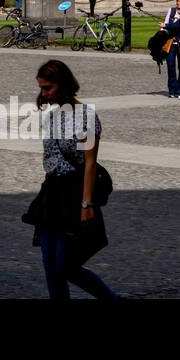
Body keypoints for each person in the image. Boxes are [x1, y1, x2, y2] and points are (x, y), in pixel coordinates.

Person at [22, 60, 117, 301]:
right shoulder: (53, 117)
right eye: (42, 88)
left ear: (63, 85)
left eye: (48, 88)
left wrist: (86, 203)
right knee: (50, 266)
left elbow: (90, 162)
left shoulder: (86, 116)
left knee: (65, 265)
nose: (44, 94)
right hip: (51, 192)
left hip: (73, 193)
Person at [161, 0, 180, 98]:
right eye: (177, 1)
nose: (178, 3)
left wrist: (168, 26)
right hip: (171, 43)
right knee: (171, 67)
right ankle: (172, 90)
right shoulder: (171, 11)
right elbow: (165, 25)